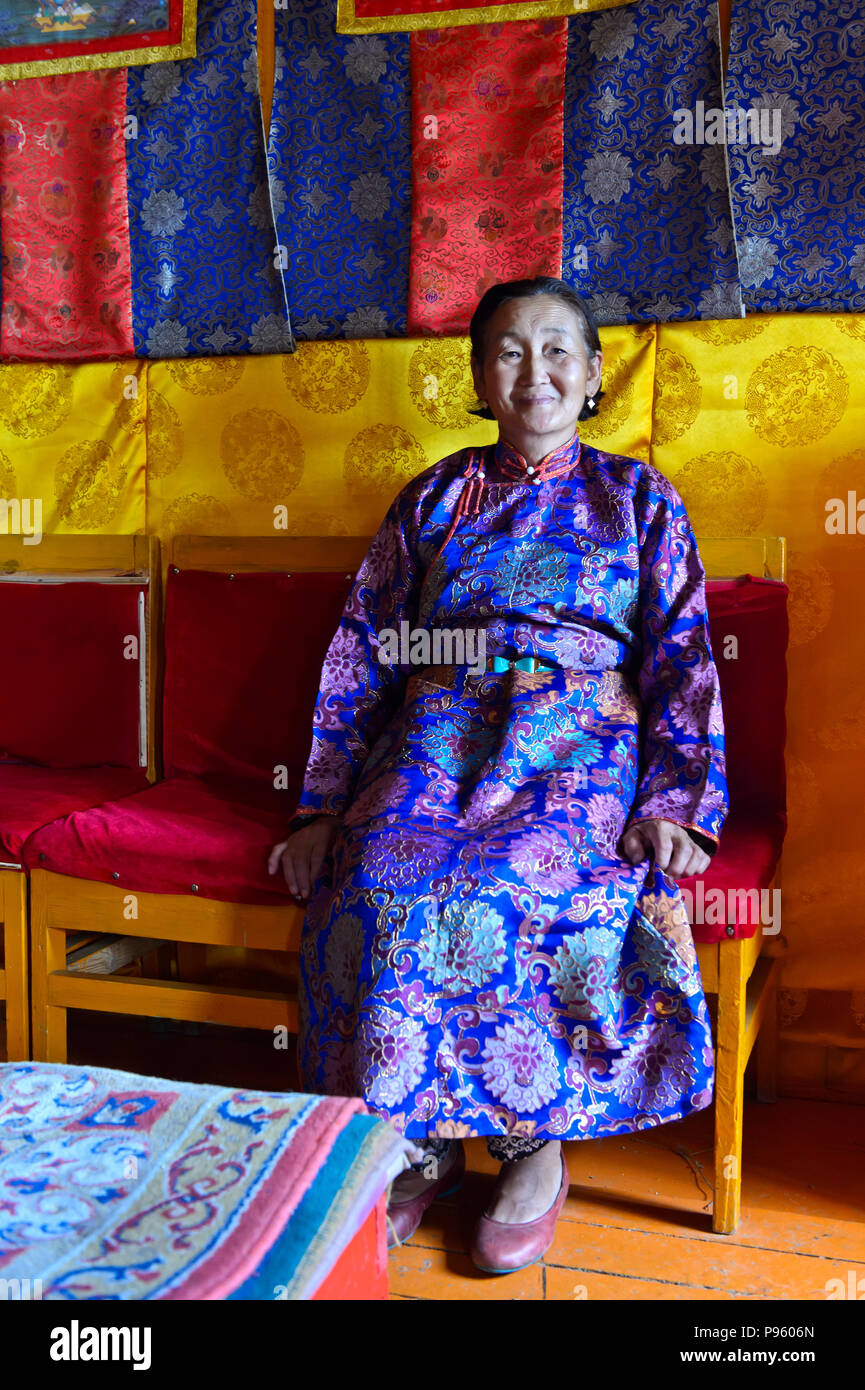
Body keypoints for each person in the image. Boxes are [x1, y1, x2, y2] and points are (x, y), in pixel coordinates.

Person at [268, 276, 727, 1275]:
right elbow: (364, 652)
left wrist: (673, 804)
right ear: (479, 375)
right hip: (440, 729)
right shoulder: (432, 498)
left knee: (524, 875)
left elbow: (682, 658)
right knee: (385, 867)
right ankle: (415, 1138)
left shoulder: (640, 499)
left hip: (578, 737)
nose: (535, 372)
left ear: (594, 374)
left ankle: (531, 1142)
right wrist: (319, 806)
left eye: (558, 349)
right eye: (508, 351)